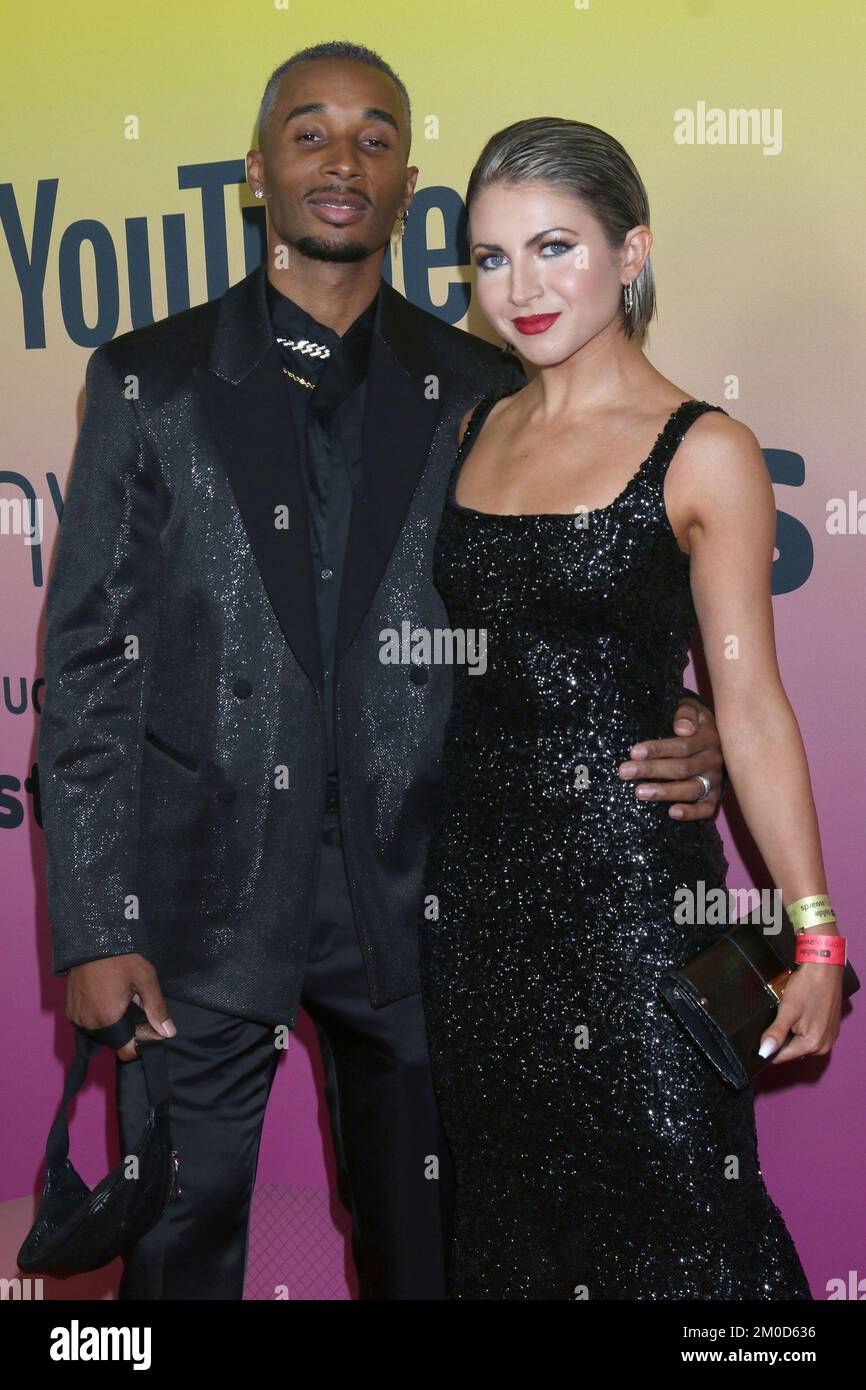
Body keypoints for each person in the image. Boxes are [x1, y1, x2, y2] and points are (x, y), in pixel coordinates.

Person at [39, 50, 725, 1301]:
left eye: (374, 139)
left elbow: (566, 608)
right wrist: (96, 923)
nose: (341, 161)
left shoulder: (483, 386)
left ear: (408, 183)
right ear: (256, 173)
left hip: (426, 903)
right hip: (197, 904)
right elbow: (89, 664)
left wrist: (686, 718)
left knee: (435, 1253)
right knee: (176, 1254)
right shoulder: (149, 380)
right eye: (309, 133)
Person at [418, 116, 843, 1300]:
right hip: (475, 914)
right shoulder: (468, 428)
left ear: (630, 252)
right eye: (491, 257)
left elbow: (749, 704)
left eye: (554, 247)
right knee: (509, 1233)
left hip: (635, 911)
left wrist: (811, 932)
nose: (521, 288)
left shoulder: (702, 451)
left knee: (687, 1220)